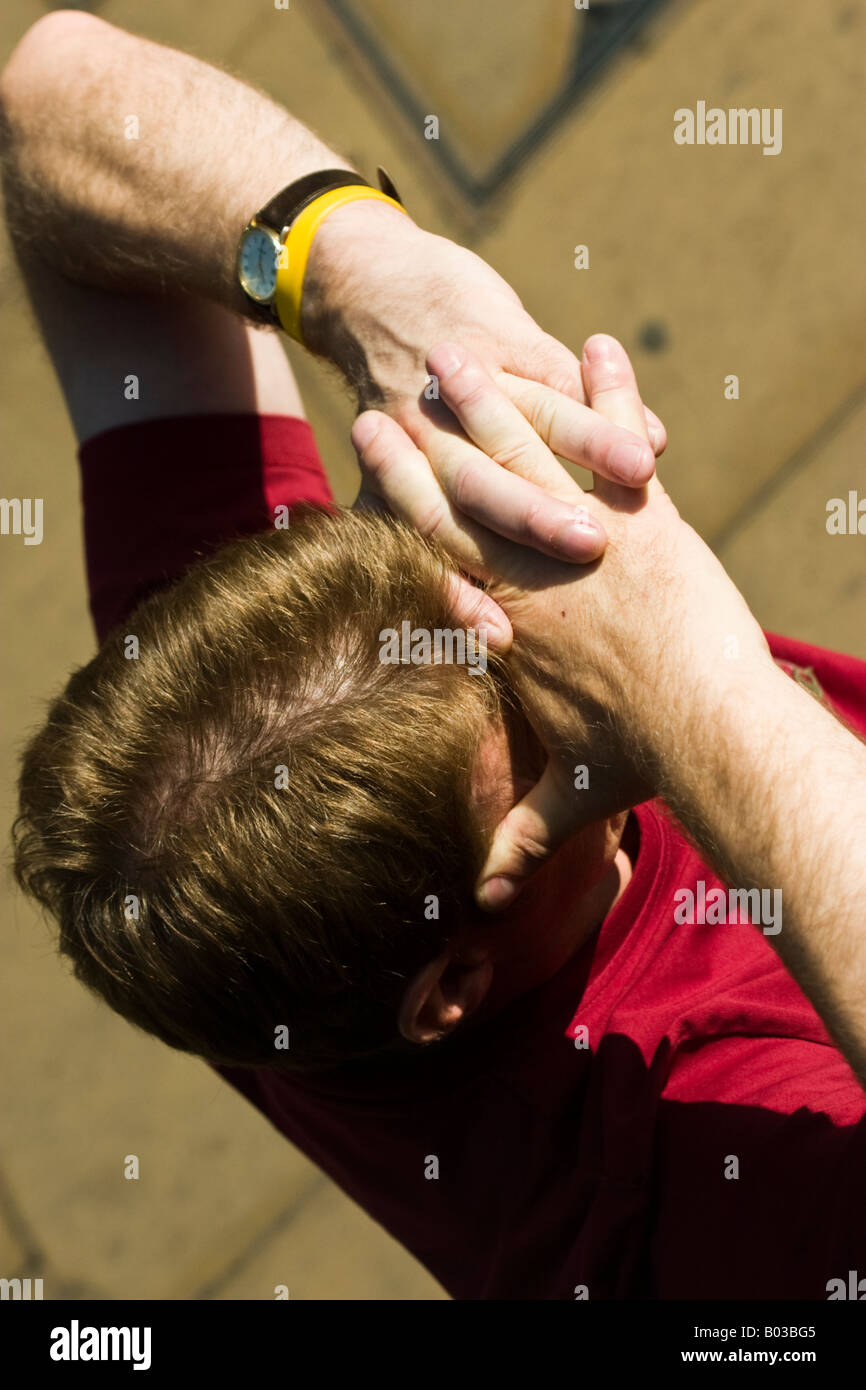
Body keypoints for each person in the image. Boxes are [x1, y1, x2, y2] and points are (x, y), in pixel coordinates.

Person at [4, 13, 866, 1301]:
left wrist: (353, 265)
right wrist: (696, 689)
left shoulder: (227, 769)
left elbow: (51, 101)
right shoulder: (692, 1171)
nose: (575, 604)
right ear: (453, 977)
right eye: (549, 694)